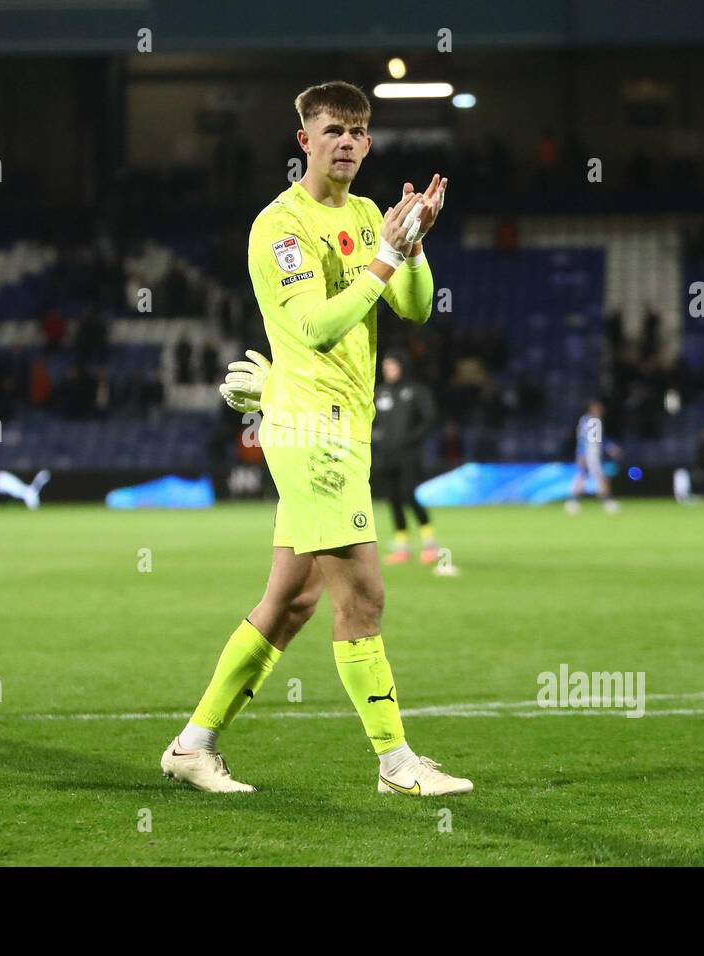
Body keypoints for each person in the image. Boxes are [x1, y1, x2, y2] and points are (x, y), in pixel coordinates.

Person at [163, 81, 471, 797]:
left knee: (290, 603)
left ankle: (192, 746)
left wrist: (412, 245)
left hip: (346, 428)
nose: (347, 142)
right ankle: (396, 764)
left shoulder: (369, 215)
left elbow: (416, 309)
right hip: (309, 429)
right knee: (362, 595)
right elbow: (314, 327)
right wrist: (385, 258)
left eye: (359, 131)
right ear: (304, 140)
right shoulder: (280, 225)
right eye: (333, 129)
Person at [372, 351, 439, 563]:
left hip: (409, 455)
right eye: (385, 365)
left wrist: (412, 439)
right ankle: (401, 547)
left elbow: (429, 419)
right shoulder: (380, 392)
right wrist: (376, 437)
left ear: (402, 366)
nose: (388, 369)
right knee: (393, 500)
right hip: (386, 455)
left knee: (409, 495)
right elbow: (371, 421)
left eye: (392, 365)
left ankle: (430, 544)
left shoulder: (416, 391)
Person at [566, 399, 620, 514]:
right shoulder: (593, 421)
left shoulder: (585, 420)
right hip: (590, 455)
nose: (601, 410)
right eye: (598, 408)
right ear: (593, 409)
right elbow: (591, 441)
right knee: (600, 477)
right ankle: (608, 502)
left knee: (582, 476)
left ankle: (572, 502)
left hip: (588, 454)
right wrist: (610, 448)